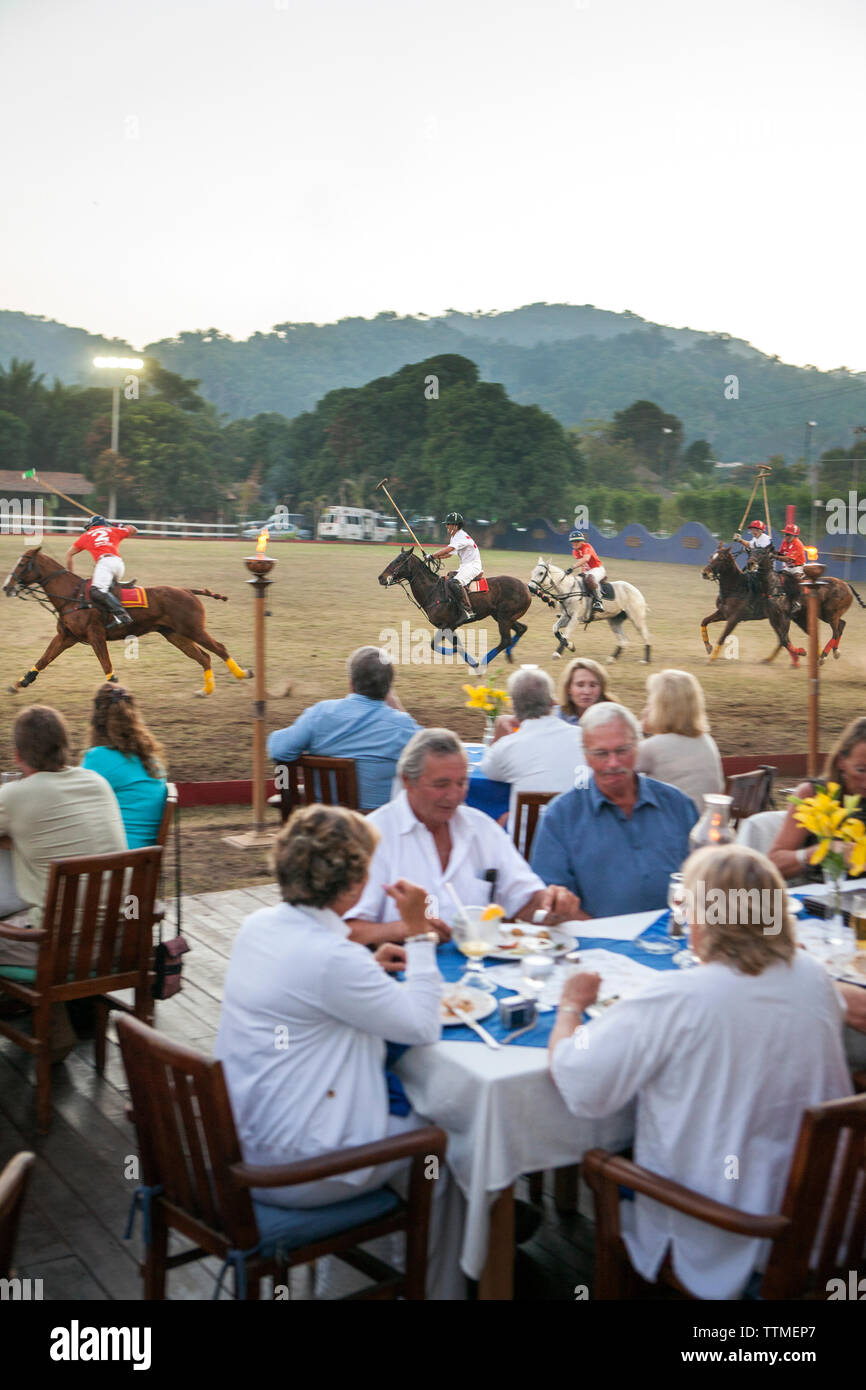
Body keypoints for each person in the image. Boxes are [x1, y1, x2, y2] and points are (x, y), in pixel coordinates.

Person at [548, 845, 852, 1300]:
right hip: (828, 1224)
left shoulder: (681, 996)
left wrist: (570, 1006)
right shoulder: (811, 975)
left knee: (600, 1163)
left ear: (705, 916)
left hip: (727, 1229)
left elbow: (580, 1083)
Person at [214, 804, 465, 1299]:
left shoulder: (260, 926)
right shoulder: (331, 959)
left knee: (424, 1119)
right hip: (295, 1168)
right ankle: (444, 1284)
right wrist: (416, 933)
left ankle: (430, 1250)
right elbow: (420, 1025)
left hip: (241, 1142)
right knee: (454, 1138)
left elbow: (313, 989)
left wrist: (366, 963)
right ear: (352, 886)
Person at [346, 728, 582, 946]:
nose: (454, 796)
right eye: (441, 785)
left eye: (462, 783)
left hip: (479, 973)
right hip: (399, 974)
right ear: (408, 781)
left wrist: (550, 904)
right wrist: (404, 929)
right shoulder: (373, 836)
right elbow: (343, 931)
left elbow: (524, 902)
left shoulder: (482, 829)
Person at [0, 706, 127, 1059]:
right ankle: (55, 1024)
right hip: (120, 944)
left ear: (18, 755)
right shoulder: (96, 782)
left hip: (59, 951)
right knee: (36, 915)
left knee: (25, 921)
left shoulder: (15, 796)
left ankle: (48, 1022)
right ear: (65, 746)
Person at [530, 703, 698, 918]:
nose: (613, 763)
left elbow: (707, 884)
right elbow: (553, 902)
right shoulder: (562, 816)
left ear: (638, 746)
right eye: (601, 753)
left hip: (674, 941)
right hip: (596, 945)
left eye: (622, 750)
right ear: (586, 755)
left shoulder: (677, 804)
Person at [266, 646, 420, 812]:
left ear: (351, 683)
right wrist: (396, 705)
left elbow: (278, 750)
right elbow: (433, 752)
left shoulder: (321, 714)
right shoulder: (402, 726)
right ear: (388, 687)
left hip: (324, 828)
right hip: (378, 832)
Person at [480, 668, 587, 830]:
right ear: (553, 702)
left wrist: (498, 734)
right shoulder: (585, 739)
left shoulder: (507, 747)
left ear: (514, 706)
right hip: (579, 843)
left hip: (527, 851)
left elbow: (488, 771)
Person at [769, 716, 866, 882]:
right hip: (816, 898)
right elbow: (774, 863)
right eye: (861, 770)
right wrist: (822, 852)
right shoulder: (813, 795)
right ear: (841, 762)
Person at [81, 684, 168, 847]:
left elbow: (72, 806)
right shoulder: (151, 758)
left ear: (96, 721)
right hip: (143, 864)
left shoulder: (98, 759)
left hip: (114, 865)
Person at [635, 669, 724, 812]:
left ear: (661, 706)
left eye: (651, 700)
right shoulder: (706, 740)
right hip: (705, 824)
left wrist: (639, 728)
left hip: (675, 827)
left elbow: (617, 765)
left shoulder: (655, 747)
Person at [65, 514, 138, 631]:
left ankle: (122, 615)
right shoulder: (113, 530)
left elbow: (69, 554)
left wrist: (70, 574)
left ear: (91, 526)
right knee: (105, 588)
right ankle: (117, 593)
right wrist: (122, 527)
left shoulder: (87, 535)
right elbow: (134, 530)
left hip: (105, 563)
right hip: (119, 564)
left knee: (96, 591)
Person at [426, 511, 481, 624]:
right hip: (465, 566)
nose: (446, 526)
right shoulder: (455, 536)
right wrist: (433, 558)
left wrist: (432, 555)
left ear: (455, 526)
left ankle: (467, 610)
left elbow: (448, 549)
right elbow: (449, 554)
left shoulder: (461, 536)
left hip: (473, 566)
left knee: (454, 582)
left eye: (448, 524)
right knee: (449, 577)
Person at [556, 656, 613, 726]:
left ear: (601, 688)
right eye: (580, 685)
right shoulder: (556, 717)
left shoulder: (613, 717)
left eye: (593, 685)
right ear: (568, 688)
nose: (587, 692)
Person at [566, 529, 605, 615]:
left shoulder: (587, 546)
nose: (574, 543)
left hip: (597, 569)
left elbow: (585, 559)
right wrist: (582, 573)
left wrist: (572, 567)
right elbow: (582, 563)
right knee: (577, 582)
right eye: (572, 541)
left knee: (590, 578)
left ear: (582, 541)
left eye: (576, 541)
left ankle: (599, 601)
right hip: (588, 571)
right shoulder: (575, 551)